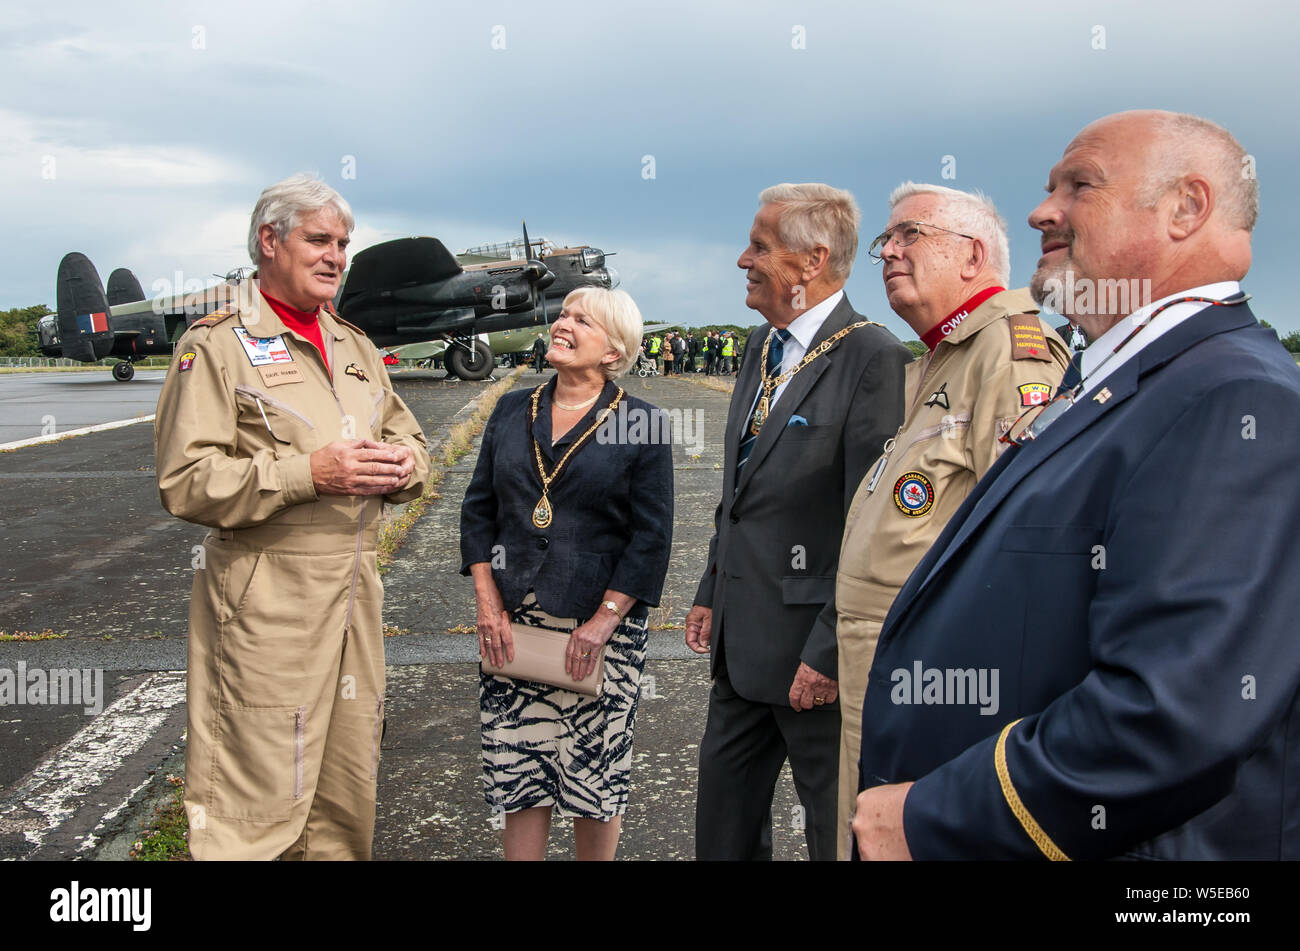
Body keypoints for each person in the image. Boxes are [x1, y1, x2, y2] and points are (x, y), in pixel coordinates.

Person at [854, 110, 1300, 861]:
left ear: (1186, 208)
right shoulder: (1107, 379)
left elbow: (1170, 717)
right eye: (1047, 187)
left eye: (1078, 185)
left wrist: (935, 816)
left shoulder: (1234, 398)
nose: (1039, 211)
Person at [154, 173, 431, 860]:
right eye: (319, 239)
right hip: (265, 607)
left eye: (343, 242)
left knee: (342, 803)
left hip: (354, 601)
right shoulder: (216, 344)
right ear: (269, 241)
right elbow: (186, 480)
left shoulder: (354, 346)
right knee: (252, 811)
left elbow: (410, 437)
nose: (336, 254)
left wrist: (404, 470)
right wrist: (308, 473)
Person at [832, 183, 1069, 859]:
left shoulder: (1011, 349)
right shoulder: (941, 352)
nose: (889, 252)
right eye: (886, 241)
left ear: (971, 255)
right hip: (884, 658)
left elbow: (1026, 534)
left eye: (909, 235)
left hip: (936, 667)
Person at [685, 183, 910, 860]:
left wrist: (829, 648)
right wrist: (709, 587)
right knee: (722, 833)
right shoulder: (760, 347)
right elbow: (740, 491)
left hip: (814, 660)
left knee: (832, 836)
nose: (742, 260)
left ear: (810, 263)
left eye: (759, 245)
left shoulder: (873, 356)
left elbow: (870, 526)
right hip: (738, 645)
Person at [461, 286, 673, 861]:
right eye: (564, 315)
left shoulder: (642, 423)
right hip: (512, 622)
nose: (564, 323)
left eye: (583, 320)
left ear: (614, 350)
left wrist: (603, 622)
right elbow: (478, 510)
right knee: (520, 775)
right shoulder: (511, 408)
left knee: (594, 783)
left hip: (599, 626)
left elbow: (651, 538)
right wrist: (487, 604)